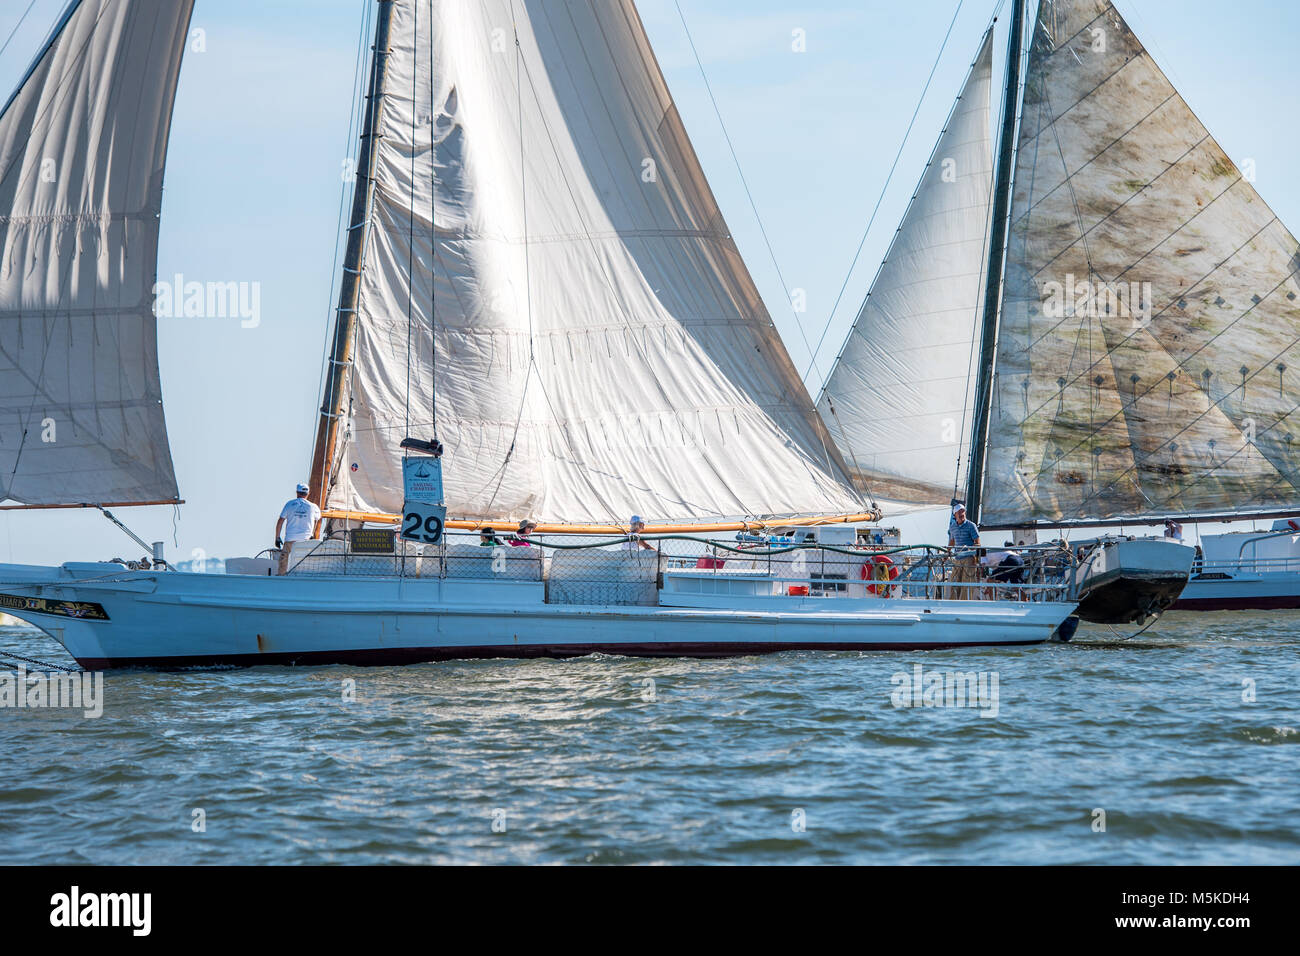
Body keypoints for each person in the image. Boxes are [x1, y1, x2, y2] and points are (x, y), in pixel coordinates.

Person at [274, 482, 321, 575]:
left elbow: (280, 521)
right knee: (304, 563)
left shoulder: (289, 504)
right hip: (306, 540)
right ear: (308, 494)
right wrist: (313, 535)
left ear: (297, 492)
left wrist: (277, 537)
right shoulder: (313, 506)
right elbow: (318, 519)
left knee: (284, 564)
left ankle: (281, 579)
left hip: (290, 540)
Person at [947, 504, 981, 599]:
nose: (962, 514)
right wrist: (946, 554)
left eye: (963, 511)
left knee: (967, 584)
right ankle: (952, 603)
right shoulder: (952, 527)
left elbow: (978, 543)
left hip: (969, 558)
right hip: (958, 558)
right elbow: (952, 542)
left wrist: (975, 558)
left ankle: (964, 603)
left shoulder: (971, 526)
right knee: (954, 582)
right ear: (955, 515)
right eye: (959, 512)